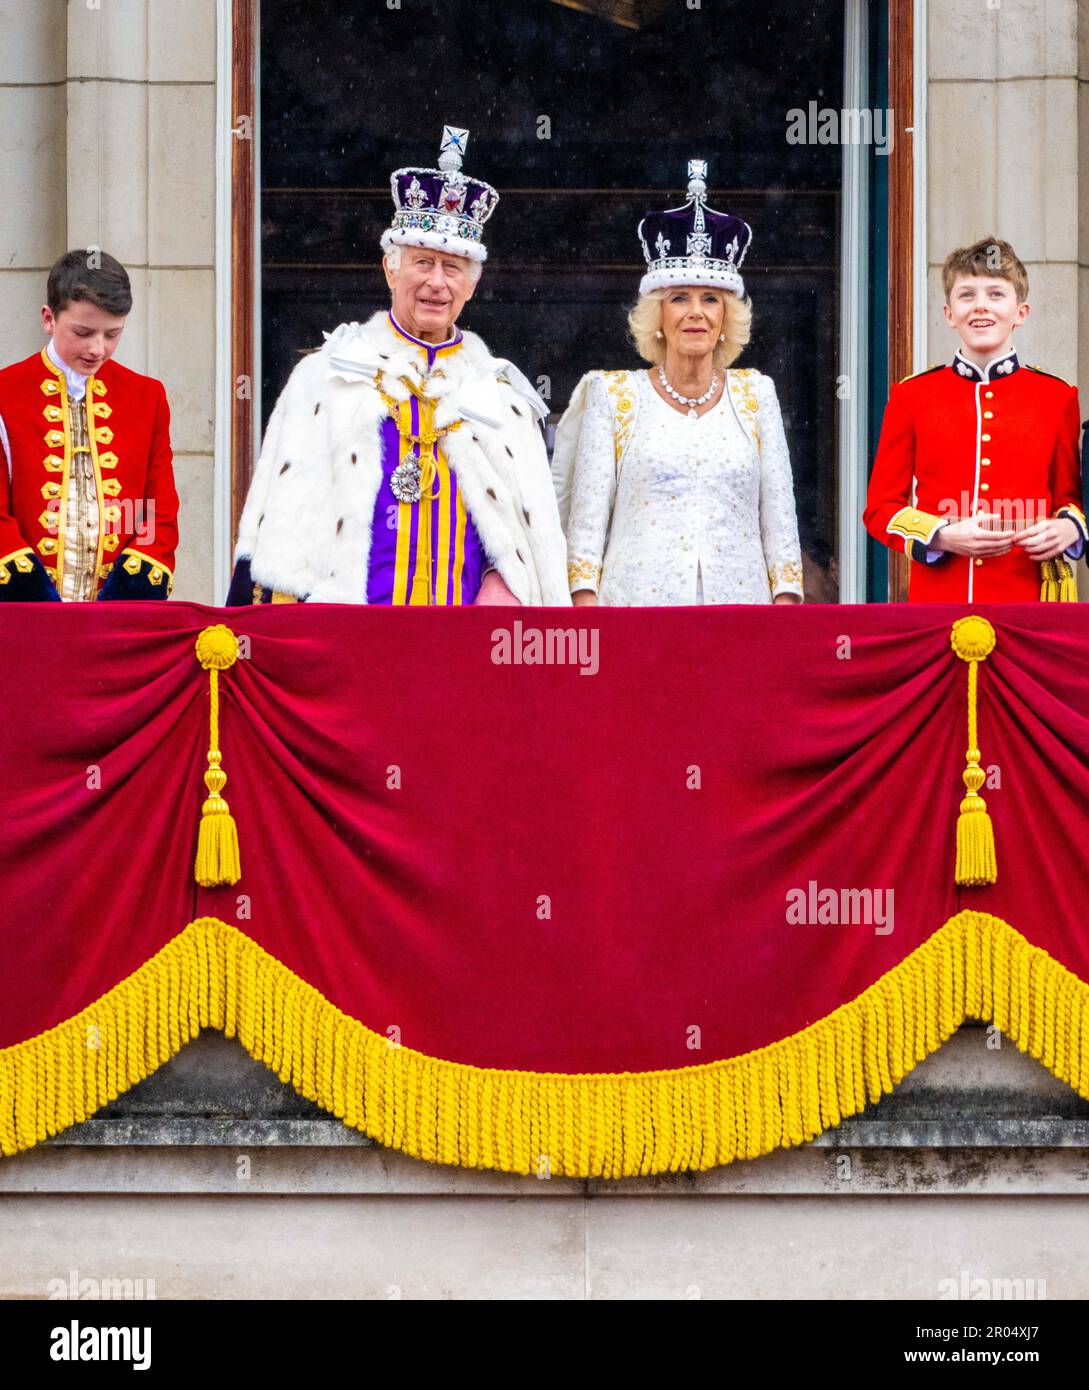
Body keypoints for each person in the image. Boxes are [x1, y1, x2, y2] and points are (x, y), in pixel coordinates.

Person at [227, 126, 568, 607]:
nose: (436, 283)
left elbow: (528, 537)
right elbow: (281, 523)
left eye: (452, 268)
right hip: (353, 634)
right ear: (390, 269)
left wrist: (504, 577)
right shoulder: (327, 376)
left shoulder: (502, 398)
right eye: (422, 262)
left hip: (465, 644)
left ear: (473, 284)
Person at [552, 160, 803, 607]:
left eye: (710, 299)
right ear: (659, 317)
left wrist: (783, 612)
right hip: (635, 622)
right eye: (679, 298)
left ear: (726, 317)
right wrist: (589, 619)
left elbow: (780, 528)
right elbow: (585, 533)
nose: (696, 312)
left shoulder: (757, 394)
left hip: (740, 619)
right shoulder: (614, 396)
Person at [864, 235, 1086, 602]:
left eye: (996, 294)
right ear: (949, 314)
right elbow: (880, 508)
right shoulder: (912, 395)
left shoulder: (1057, 396)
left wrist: (1070, 528)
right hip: (938, 600)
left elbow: (1070, 497)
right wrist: (940, 535)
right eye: (967, 295)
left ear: (1021, 313)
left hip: (1028, 601)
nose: (981, 306)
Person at [0, 249, 179, 601]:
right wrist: (29, 592)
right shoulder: (5, 392)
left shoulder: (148, 396)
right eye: (83, 332)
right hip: (23, 612)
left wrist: (130, 591)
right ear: (48, 318)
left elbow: (159, 510)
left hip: (117, 618)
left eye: (112, 334)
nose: (98, 348)